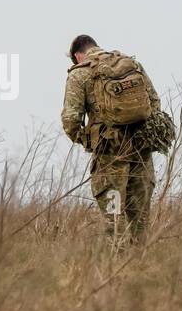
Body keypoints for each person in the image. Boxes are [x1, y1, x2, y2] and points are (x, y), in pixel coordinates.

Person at [60, 34, 160, 243]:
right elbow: (154, 102)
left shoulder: (79, 74)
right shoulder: (130, 64)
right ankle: (143, 269)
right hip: (141, 153)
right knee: (140, 223)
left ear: (78, 55)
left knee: (114, 222)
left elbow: (70, 120)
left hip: (110, 156)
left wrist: (90, 141)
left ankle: (116, 271)